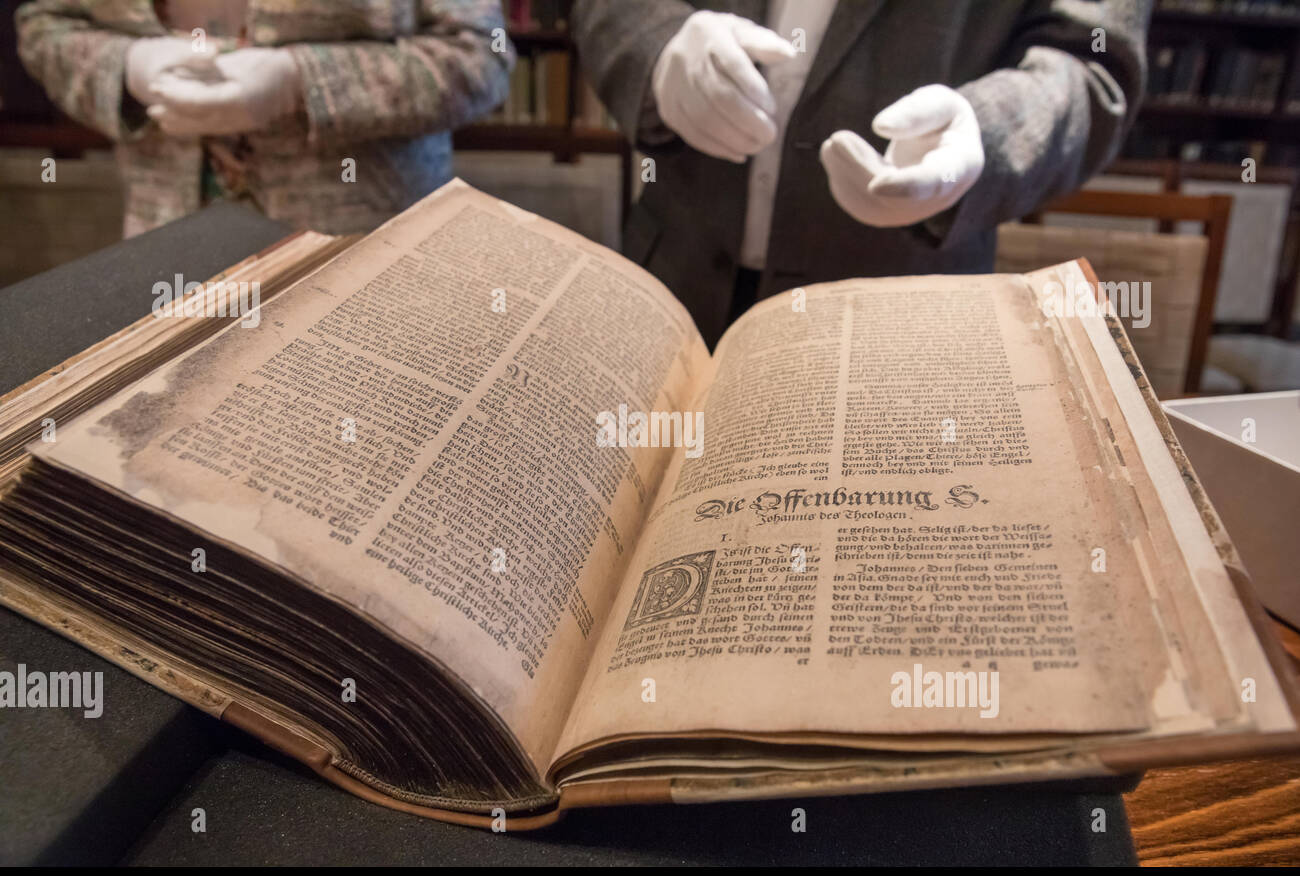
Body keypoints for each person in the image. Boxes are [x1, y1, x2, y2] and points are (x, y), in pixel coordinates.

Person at [573, 0, 1152, 347]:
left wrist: (987, 130)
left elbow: (1090, 65)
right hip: (673, 285)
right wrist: (656, 48)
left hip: (899, 322)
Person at [16, 0, 513, 237]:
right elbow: (43, 25)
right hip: (167, 250)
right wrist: (127, 66)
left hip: (367, 250)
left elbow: (481, 56)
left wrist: (301, 81)